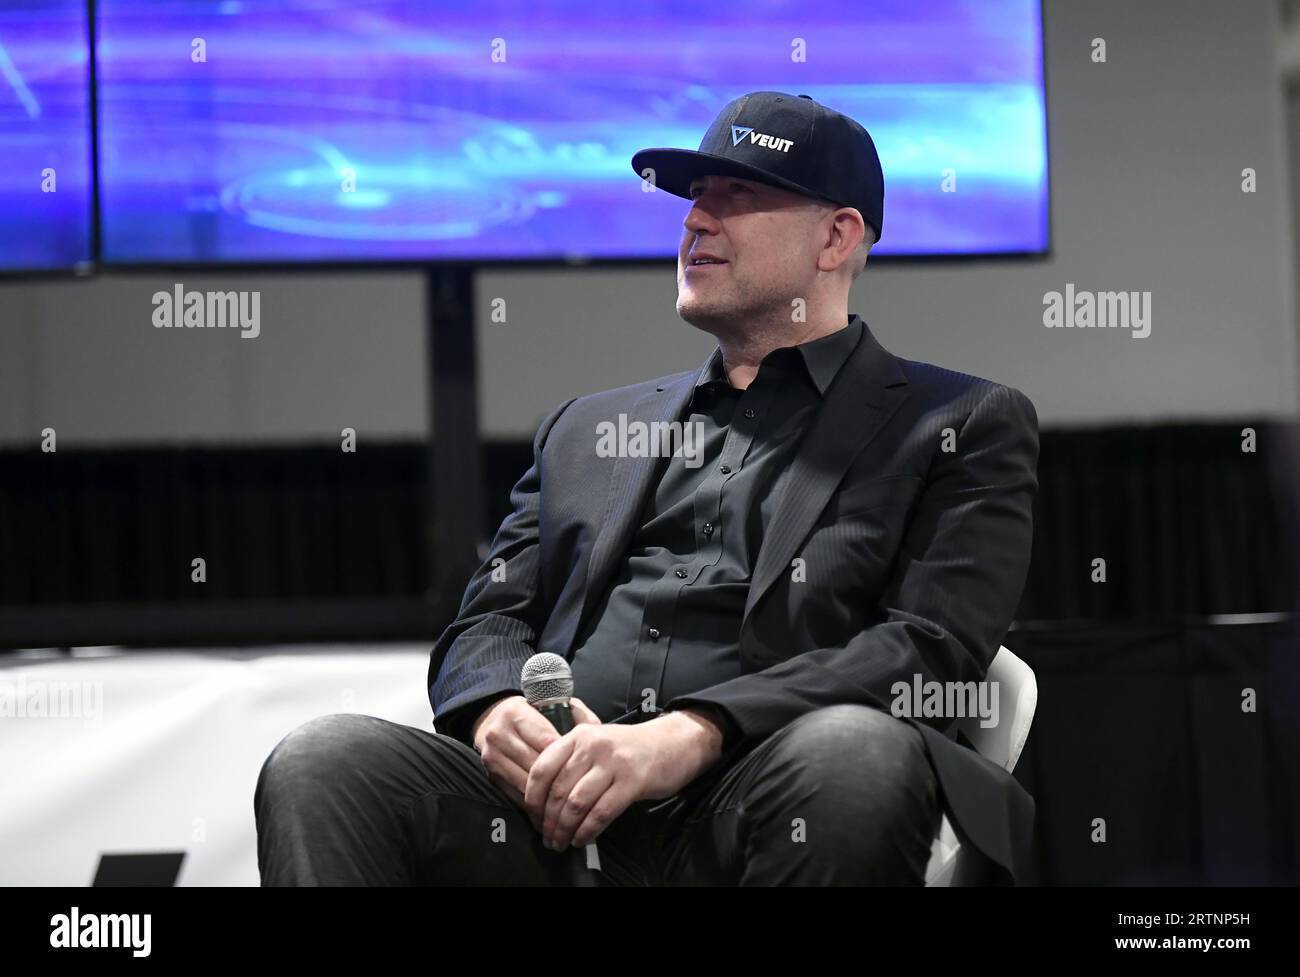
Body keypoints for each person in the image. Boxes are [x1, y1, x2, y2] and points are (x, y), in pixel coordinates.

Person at [255, 91, 1039, 885]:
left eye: (737, 197)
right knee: (324, 759)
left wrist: (690, 732)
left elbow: (928, 653)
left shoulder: (959, 422)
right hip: (552, 816)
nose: (696, 222)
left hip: (764, 794)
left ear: (837, 236)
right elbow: (484, 624)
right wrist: (496, 710)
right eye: (695, 199)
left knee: (857, 749)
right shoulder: (584, 428)